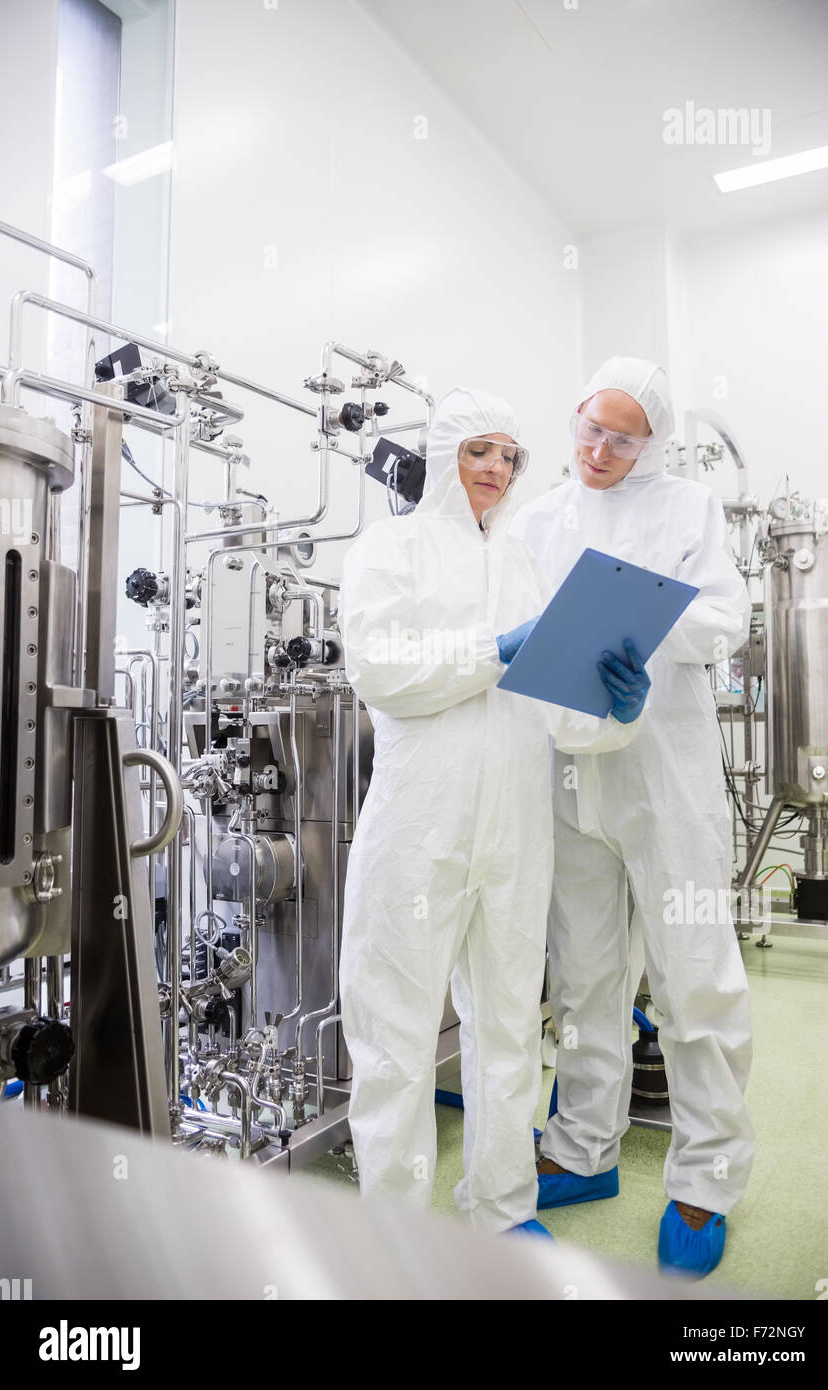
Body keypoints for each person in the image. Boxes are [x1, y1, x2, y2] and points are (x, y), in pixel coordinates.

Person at [338, 387, 649, 1237]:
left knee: (511, 1022)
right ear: (445, 457)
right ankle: (395, 1238)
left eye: (510, 456)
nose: (497, 471)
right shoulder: (390, 547)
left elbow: (560, 709)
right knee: (396, 1035)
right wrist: (491, 650)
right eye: (480, 451)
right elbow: (382, 669)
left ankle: (503, 1210)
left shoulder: (527, 566)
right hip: (418, 823)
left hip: (515, 825)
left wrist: (616, 709)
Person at [511, 356, 754, 1278]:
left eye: (620, 436)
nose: (596, 448)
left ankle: (707, 1176)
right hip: (568, 768)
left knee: (693, 978)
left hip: (665, 775)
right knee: (584, 975)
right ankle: (582, 1146)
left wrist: (645, 636)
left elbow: (725, 613)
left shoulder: (688, 510)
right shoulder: (537, 518)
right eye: (587, 426)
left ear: (650, 447)